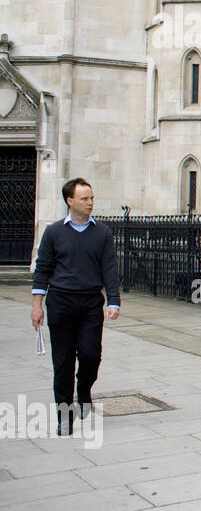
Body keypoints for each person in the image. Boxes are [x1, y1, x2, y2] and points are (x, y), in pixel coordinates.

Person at [30, 178, 120, 436]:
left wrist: (113, 301)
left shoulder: (102, 233)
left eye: (91, 198)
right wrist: (37, 305)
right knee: (63, 361)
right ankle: (64, 416)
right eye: (84, 198)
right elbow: (43, 269)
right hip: (60, 301)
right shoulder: (54, 232)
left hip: (91, 302)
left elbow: (110, 270)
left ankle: (84, 389)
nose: (90, 203)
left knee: (91, 356)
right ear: (70, 201)